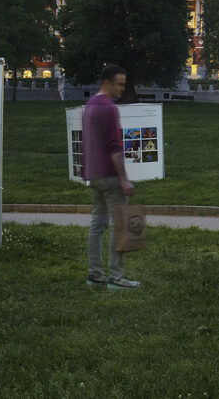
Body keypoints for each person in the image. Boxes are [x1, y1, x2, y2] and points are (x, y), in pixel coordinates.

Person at [82, 64, 140, 290]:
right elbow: (114, 146)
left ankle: (94, 274)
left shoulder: (90, 105)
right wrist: (124, 179)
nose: (122, 89)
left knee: (97, 223)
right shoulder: (109, 108)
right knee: (119, 224)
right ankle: (116, 277)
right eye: (119, 84)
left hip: (94, 174)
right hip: (110, 175)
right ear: (107, 82)